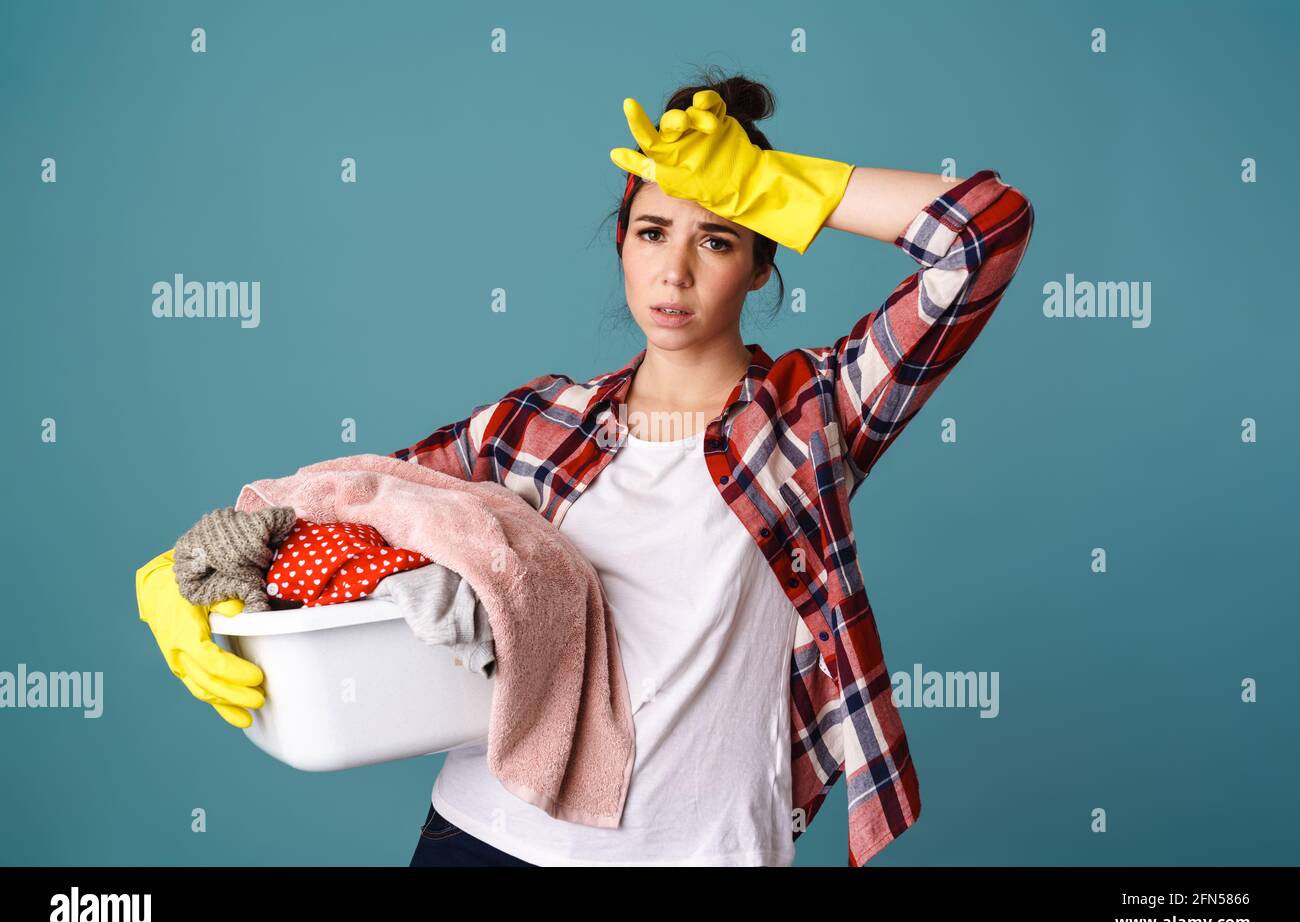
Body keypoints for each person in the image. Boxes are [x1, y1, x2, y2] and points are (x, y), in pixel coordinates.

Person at [137, 69, 1034, 867]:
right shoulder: (537, 423)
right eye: (652, 231)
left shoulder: (812, 414)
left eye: (718, 239)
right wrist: (174, 575)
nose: (674, 269)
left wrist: (773, 183)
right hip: (488, 836)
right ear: (621, 243)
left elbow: (986, 232)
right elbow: (346, 498)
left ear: (764, 263)